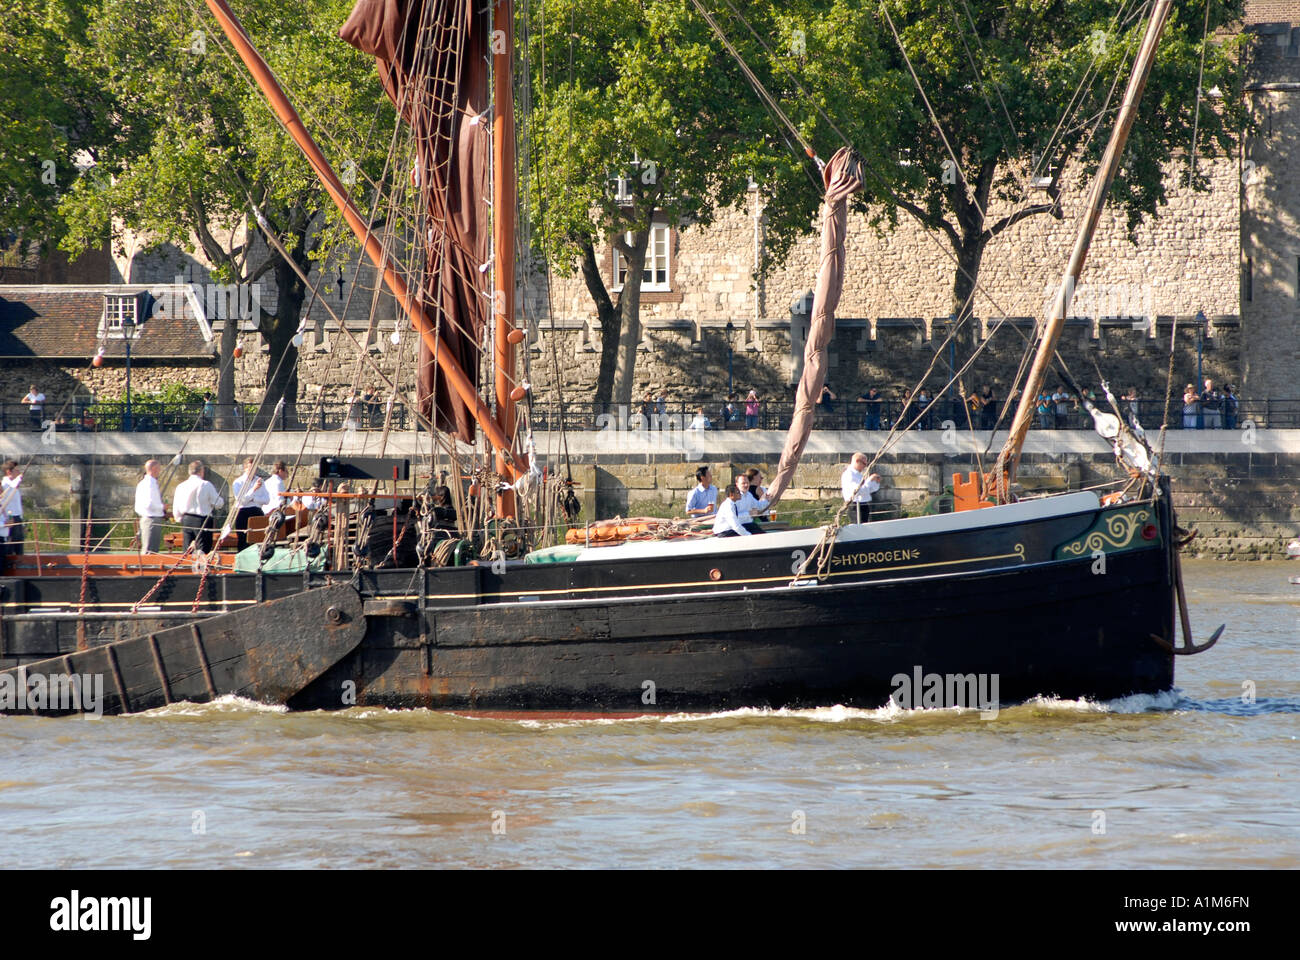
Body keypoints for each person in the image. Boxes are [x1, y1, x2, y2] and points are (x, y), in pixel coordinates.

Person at [172, 460, 224, 553]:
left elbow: (176, 506)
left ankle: (186, 565)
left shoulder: (181, 486)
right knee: (203, 549)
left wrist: (179, 518)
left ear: (189, 471)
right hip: (202, 520)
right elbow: (218, 503)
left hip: (187, 519)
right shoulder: (206, 485)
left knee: (187, 549)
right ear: (201, 471)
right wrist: (220, 502)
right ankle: (202, 566)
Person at [231, 456, 269, 550]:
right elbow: (241, 501)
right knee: (243, 540)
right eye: (250, 468)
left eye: (255, 468)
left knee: (259, 539)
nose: (253, 471)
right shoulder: (238, 482)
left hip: (257, 511)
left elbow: (266, 500)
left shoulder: (260, 481)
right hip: (243, 512)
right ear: (245, 468)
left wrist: (253, 499)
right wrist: (254, 489)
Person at [134, 459, 166, 553]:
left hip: (149, 518)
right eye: (159, 468)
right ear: (154, 468)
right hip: (151, 519)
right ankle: (148, 566)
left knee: (151, 549)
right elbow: (149, 504)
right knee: (150, 550)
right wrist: (162, 507)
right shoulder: (149, 484)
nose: (159, 471)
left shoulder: (145, 483)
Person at [841, 452, 881, 524]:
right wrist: (870, 480)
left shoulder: (858, 475)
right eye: (864, 464)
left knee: (864, 527)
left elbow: (867, 489)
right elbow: (858, 491)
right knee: (859, 527)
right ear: (857, 461)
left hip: (863, 505)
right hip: (855, 506)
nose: (865, 467)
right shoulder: (849, 474)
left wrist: (875, 482)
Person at [1, 460, 24, 555]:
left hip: (17, 516)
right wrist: (19, 478)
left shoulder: (13, 484)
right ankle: (12, 561)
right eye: (16, 470)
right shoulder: (5, 484)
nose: (18, 472)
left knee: (19, 539)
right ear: (9, 471)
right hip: (11, 517)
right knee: (13, 540)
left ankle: (20, 559)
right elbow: (12, 486)